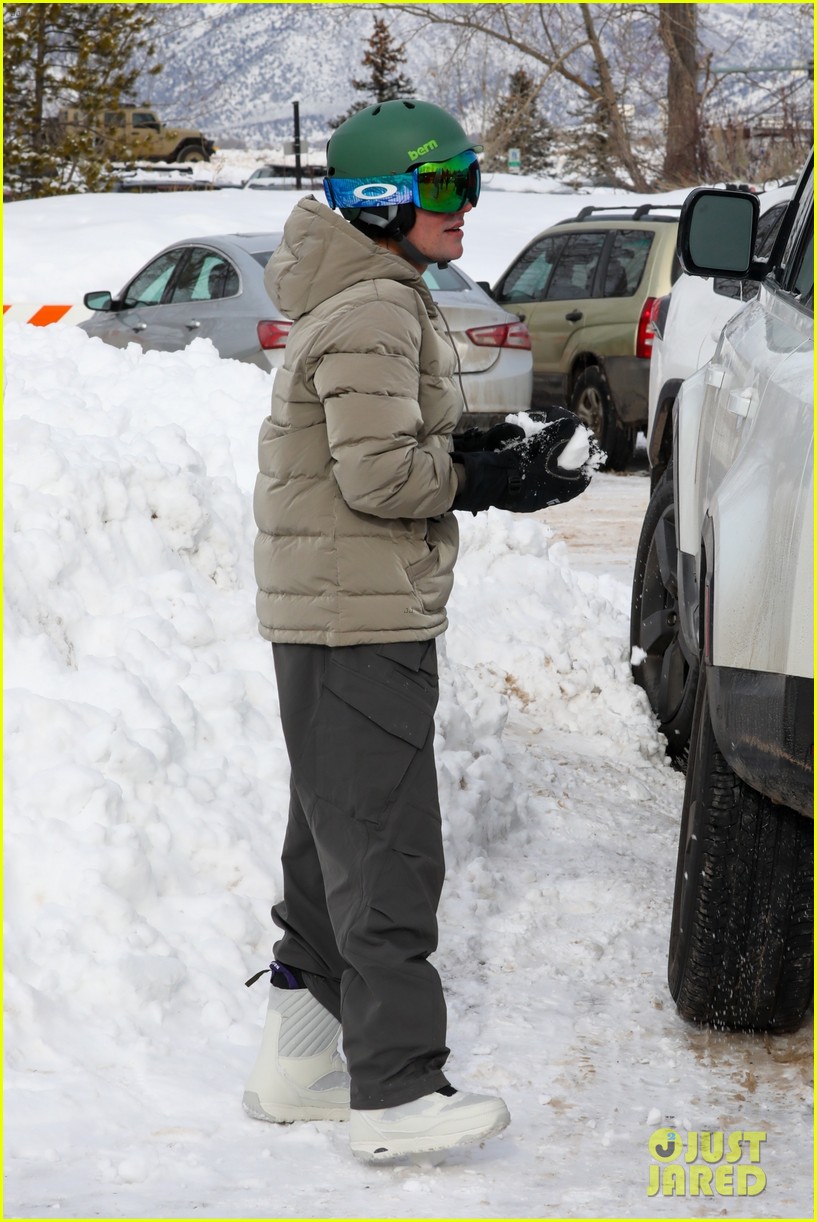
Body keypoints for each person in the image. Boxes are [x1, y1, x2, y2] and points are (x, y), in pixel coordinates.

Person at [244, 99, 593, 1163]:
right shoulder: (373, 309)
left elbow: (383, 435)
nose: (465, 208)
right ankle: (394, 1092)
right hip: (358, 613)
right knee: (388, 847)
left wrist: (494, 444)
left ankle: (301, 1061)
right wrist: (492, 480)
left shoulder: (363, 294)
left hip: (331, 606)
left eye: (470, 182)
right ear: (382, 200)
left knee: (331, 839)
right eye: (445, 188)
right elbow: (381, 473)